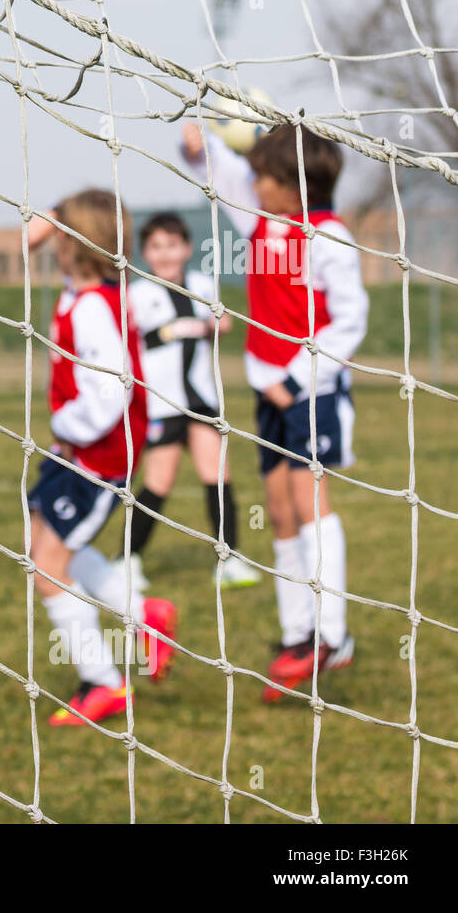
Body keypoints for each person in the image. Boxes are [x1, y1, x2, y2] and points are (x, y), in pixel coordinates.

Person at [182, 120, 367, 701]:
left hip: (312, 391)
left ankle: (332, 635)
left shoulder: (328, 237)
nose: (255, 183)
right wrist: (199, 146)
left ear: (296, 185)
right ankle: (298, 633)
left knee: (311, 502)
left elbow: (349, 320)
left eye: (266, 176)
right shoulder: (260, 222)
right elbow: (224, 174)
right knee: (280, 509)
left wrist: (297, 377)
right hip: (271, 394)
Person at [26, 189, 178, 726]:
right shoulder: (91, 290)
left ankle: (105, 683)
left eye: (60, 232)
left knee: (48, 569)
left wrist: (67, 424)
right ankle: (144, 617)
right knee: (40, 542)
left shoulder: (94, 306)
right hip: (73, 452)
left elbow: (111, 392)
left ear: (75, 242)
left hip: (96, 456)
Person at [117, 212, 261, 592]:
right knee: (158, 482)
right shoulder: (138, 293)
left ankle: (228, 559)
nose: (164, 254)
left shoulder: (200, 284)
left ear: (185, 248)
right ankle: (126, 561)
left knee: (218, 476)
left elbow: (224, 322)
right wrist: (171, 331)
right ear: (146, 252)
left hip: (201, 400)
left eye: (171, 245)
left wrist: (214, 323)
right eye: (155, 247)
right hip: (162, 403)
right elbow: (133, 342)